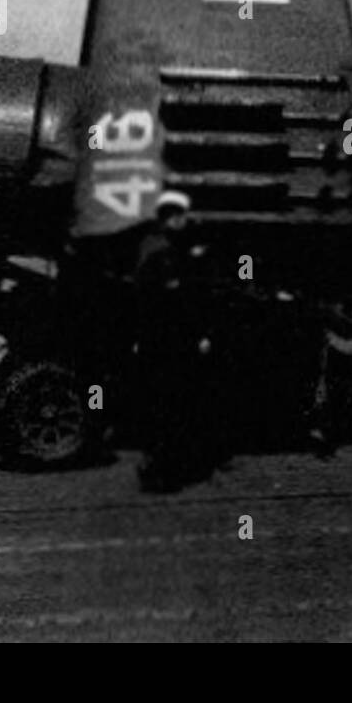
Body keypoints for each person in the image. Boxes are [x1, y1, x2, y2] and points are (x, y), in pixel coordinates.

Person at [134, 190, 217, 490]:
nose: (183, 220)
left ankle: (163, 467)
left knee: (168, 405)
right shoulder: (161, 253)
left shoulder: (160, 248)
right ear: (167, 218)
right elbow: (171, 301)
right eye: (177, 215)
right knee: (167, 406)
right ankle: (161, 471)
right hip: (165, 341)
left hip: (165, 340)